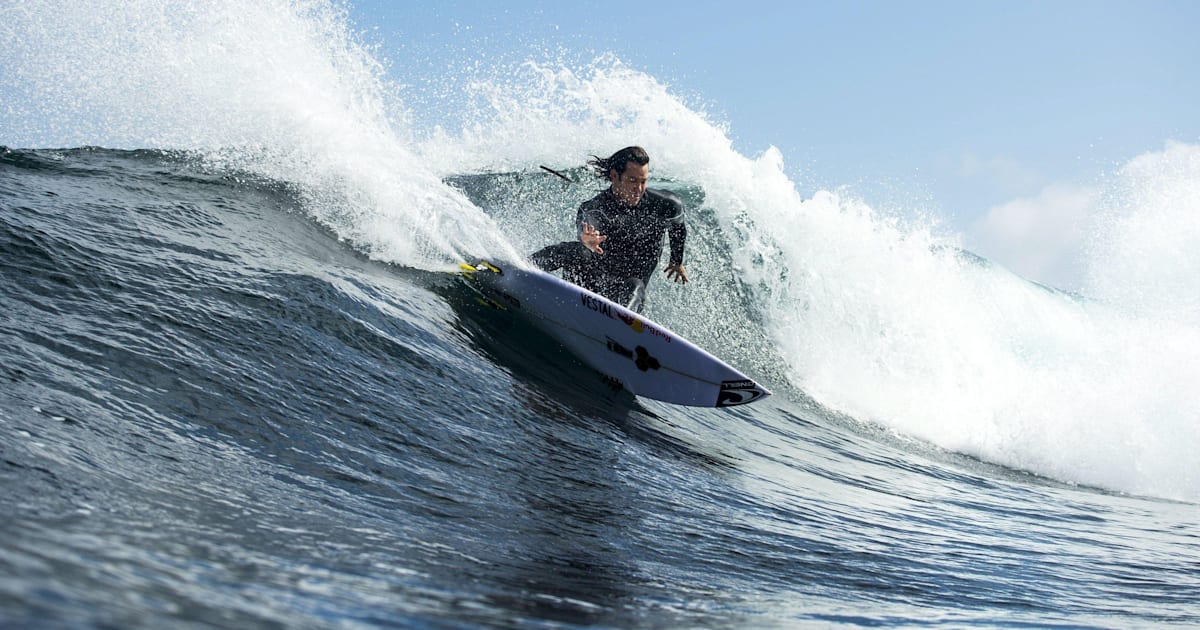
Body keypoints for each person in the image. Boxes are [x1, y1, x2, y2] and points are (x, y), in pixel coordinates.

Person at [530, 146, 688, 312]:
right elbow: (586, 225)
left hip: (626, 295)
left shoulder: (665, 205)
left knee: (635, 286)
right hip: (590, 286)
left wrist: (676, 261)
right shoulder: (595, 208)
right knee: (573, 250)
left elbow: (678, 227)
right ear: (614, 176)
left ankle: (621, 321)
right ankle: (521, 270)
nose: (639, 189)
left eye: (643, 181)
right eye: (632, 181)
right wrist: (586, 239)